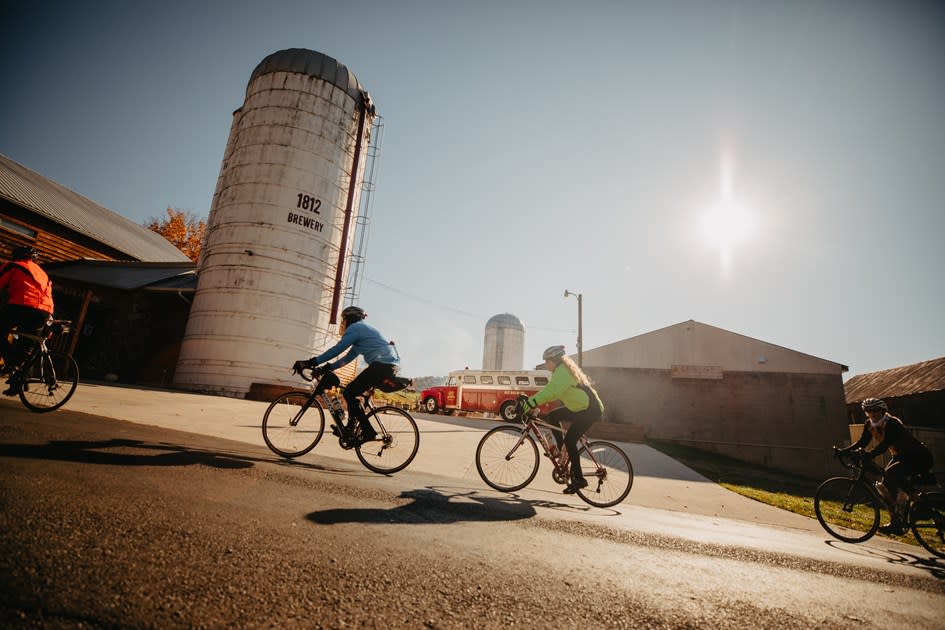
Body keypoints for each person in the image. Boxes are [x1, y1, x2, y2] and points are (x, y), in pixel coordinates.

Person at [293, 306, 399, 445]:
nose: (343, 323)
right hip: (387, 365)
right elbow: (346, 359)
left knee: (349, 392)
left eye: (344, 319)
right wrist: (329, 367)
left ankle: (368, 431)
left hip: (382, 365)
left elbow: (337, 349)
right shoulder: (361, 331)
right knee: (351, 393)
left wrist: (311, 362)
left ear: (350, 318)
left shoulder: (355, 328)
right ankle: (351, 426)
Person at [837, 397, 934, 534]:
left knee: (892, 473)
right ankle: (896, 523)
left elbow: (885, 444)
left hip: (918, 457)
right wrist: (844, 451)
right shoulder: (869, 424)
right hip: (901, 457)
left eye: (876, 410)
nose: (873, 414)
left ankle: (920, 505)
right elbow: (862, 442)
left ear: (883, 411)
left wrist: (870, 454)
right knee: (886, 486)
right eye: (869, 411)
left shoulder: (892, 423)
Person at [518, 345, 604, 494]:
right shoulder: (560, 372)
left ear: (555, 360)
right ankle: (560, 452)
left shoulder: (563, 372)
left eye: (547, 360)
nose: (545, 363)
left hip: (590, 409)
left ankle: (579, 479)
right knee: (553, 416)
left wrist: (530, 404)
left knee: (570, 441)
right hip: (579, 407)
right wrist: (531, 401)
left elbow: (553, 392)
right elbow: (548, 390)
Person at [0, 246, 55, 395]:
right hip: (45, 311)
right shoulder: (41, 272)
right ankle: (19, 381)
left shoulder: (13, 266)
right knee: (26, 345)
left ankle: (11, 363)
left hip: (23, 305)